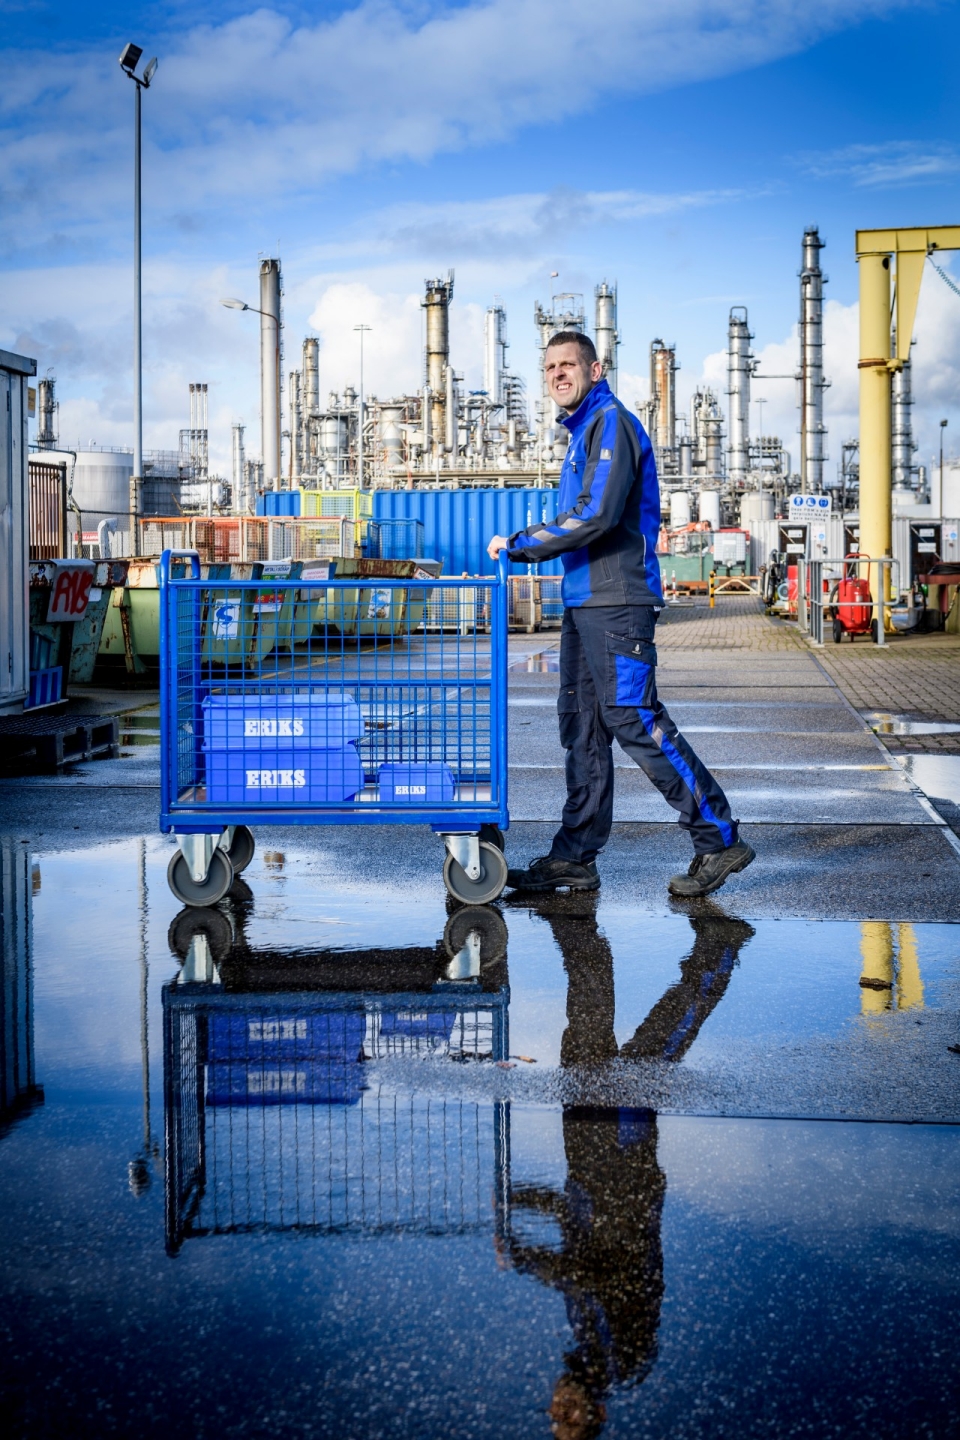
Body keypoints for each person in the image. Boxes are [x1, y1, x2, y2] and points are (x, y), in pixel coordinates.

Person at [487, 332, 755, 898]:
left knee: (634, 717)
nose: (559, 374)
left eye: (569, 364)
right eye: (551, 367)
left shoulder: (611, 423)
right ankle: (575, 857)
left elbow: (596, 515)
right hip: (586, 600)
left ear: (595, 367)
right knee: (582, 724)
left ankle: (719, 838)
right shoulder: (583, 429)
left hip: (618, 602)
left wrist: (518, 543)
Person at [502, 892, 755, 1438]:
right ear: (599, 1414)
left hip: (589, 1167)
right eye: (571, 1418)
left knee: (586, 1025)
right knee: (655, 1051)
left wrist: (523, 1200)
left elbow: (576, 1233)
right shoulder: (619, 1357)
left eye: (553, 1416)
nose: (558, 1406)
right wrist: (526, 1257)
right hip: (623, 1173)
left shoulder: (583, 1345)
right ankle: (721, 954)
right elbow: (597, 1272)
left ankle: (580, 932)